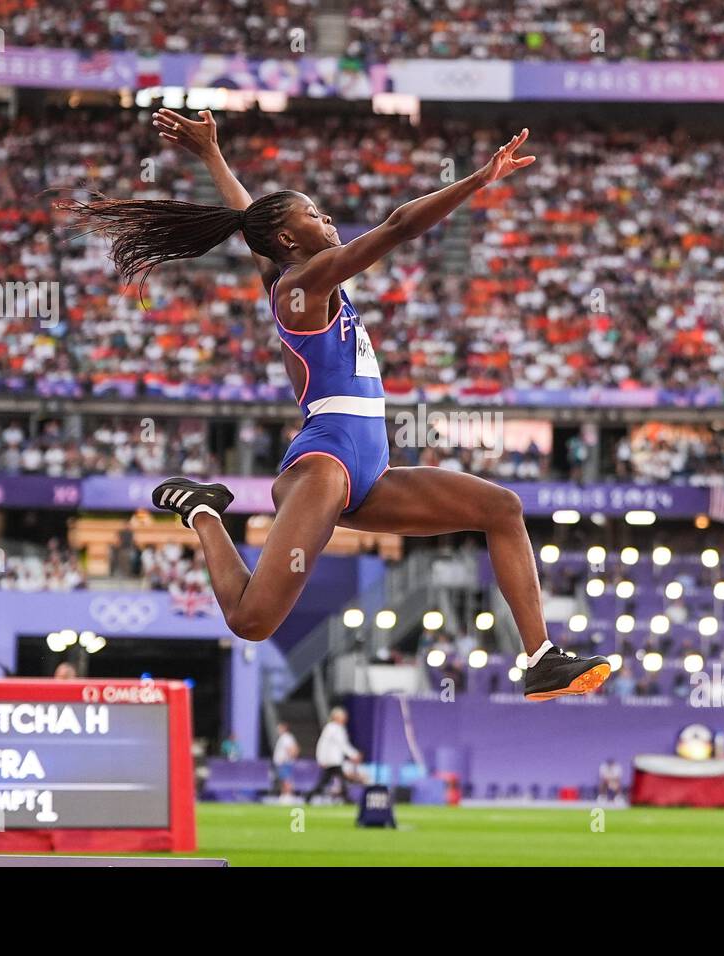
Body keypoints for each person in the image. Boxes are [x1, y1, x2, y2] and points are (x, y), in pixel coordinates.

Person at [64, 110, 609, 702]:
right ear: (293, 241)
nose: (328, 220)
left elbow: (252, 220)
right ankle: (203, 512)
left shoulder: (297, 274)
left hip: (370, 472)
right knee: (252, 621)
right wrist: (479, 180)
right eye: (314, 215)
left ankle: (541, 659)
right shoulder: (305, 283)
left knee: (501, 508)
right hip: (327, 465)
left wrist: (212, 157)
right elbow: (399, 225)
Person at [308, 707, 361, 804]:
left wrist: (321, 758)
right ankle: (347, 798)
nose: (345, 719)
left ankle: (309, 796)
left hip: (332, 760)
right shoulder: (334, 728)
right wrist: (354, 754)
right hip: (333, 760)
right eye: (343, 717)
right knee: (340, 779)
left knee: (326, 780)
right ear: (336, 717)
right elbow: (342, 744)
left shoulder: (332, 728)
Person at [272, 721, 299, 799]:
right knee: (283, 780)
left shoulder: (286, 737)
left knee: (286, 779)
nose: (278, 730)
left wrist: (289, 758)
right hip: (282, 763)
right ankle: (284, 795)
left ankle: (288, 795)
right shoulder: (284, 737)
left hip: (285, 762)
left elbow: (292, 749)